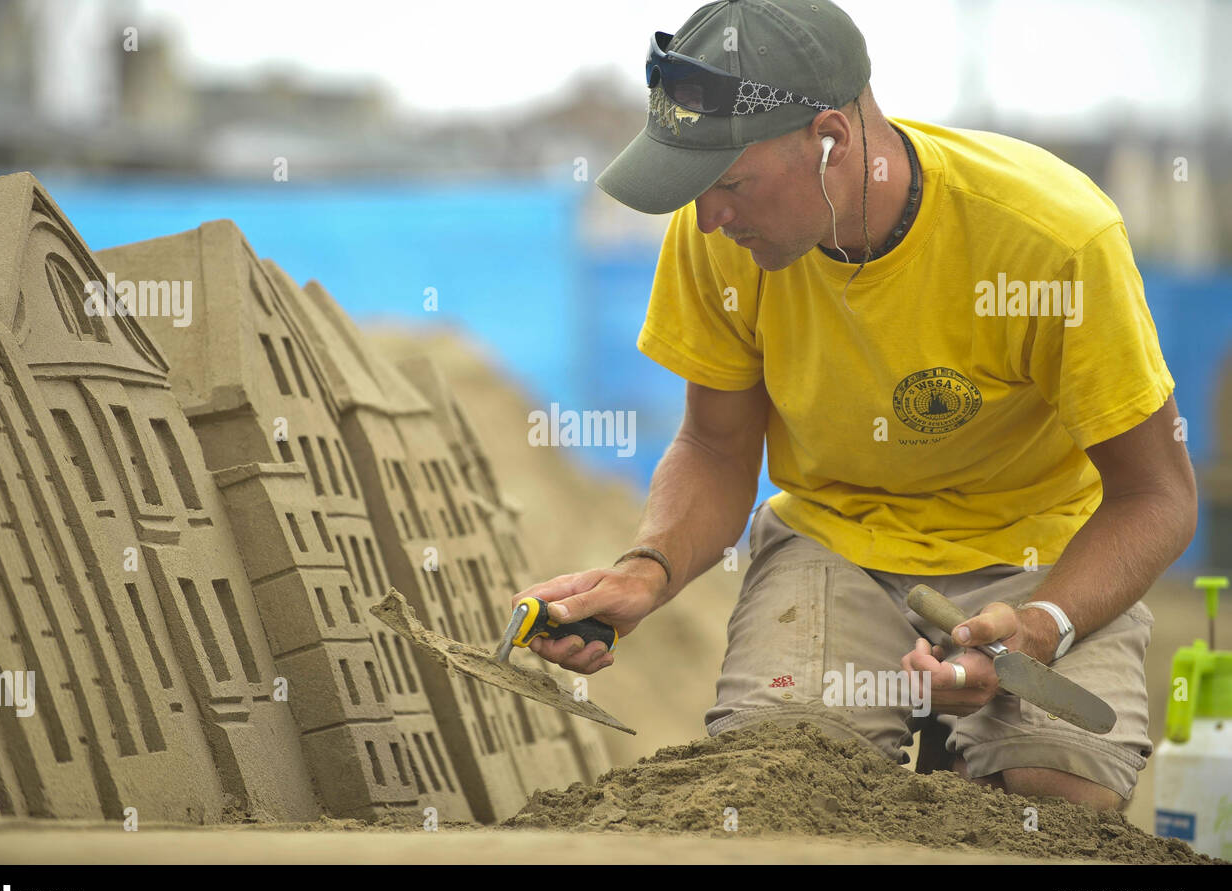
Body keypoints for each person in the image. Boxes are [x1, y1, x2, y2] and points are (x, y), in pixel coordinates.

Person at [512, 0, 1197, 811]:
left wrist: (1042, 625)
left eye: (729, 182)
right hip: (838, 540)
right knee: (771, 785)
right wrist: (646, 571)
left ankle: (988, 756)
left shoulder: (1052, 241)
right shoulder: (716, 238)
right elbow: (718, 449)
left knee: (1052, 801)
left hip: (1038, 550)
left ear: (830, 139)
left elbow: (1158, 498)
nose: (708, 216)